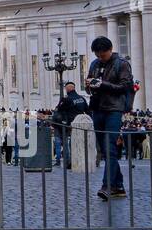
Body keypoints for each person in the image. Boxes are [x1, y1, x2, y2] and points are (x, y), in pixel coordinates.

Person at [83, 36, 132, 199]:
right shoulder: (94, 64)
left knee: (110, 147)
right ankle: (118, 186)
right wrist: (89, 85)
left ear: (110, 50)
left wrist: (103, 84)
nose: (100, 58)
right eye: (97, 55)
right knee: (104, 149)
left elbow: (125, 87)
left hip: (114, 109)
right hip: (97, 108)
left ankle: (107, 186)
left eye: (102, 55)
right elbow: (91, 87)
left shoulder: (122, 64)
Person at [51, 80, 90, 167]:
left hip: (69, 124)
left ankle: (69, 162)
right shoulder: (82, 98)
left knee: (69, 143)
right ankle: (81, 160)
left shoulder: (66, 99)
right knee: (80, 143)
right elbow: (88, 111)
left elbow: (59, 110)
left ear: (68, 89)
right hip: (81, 124)